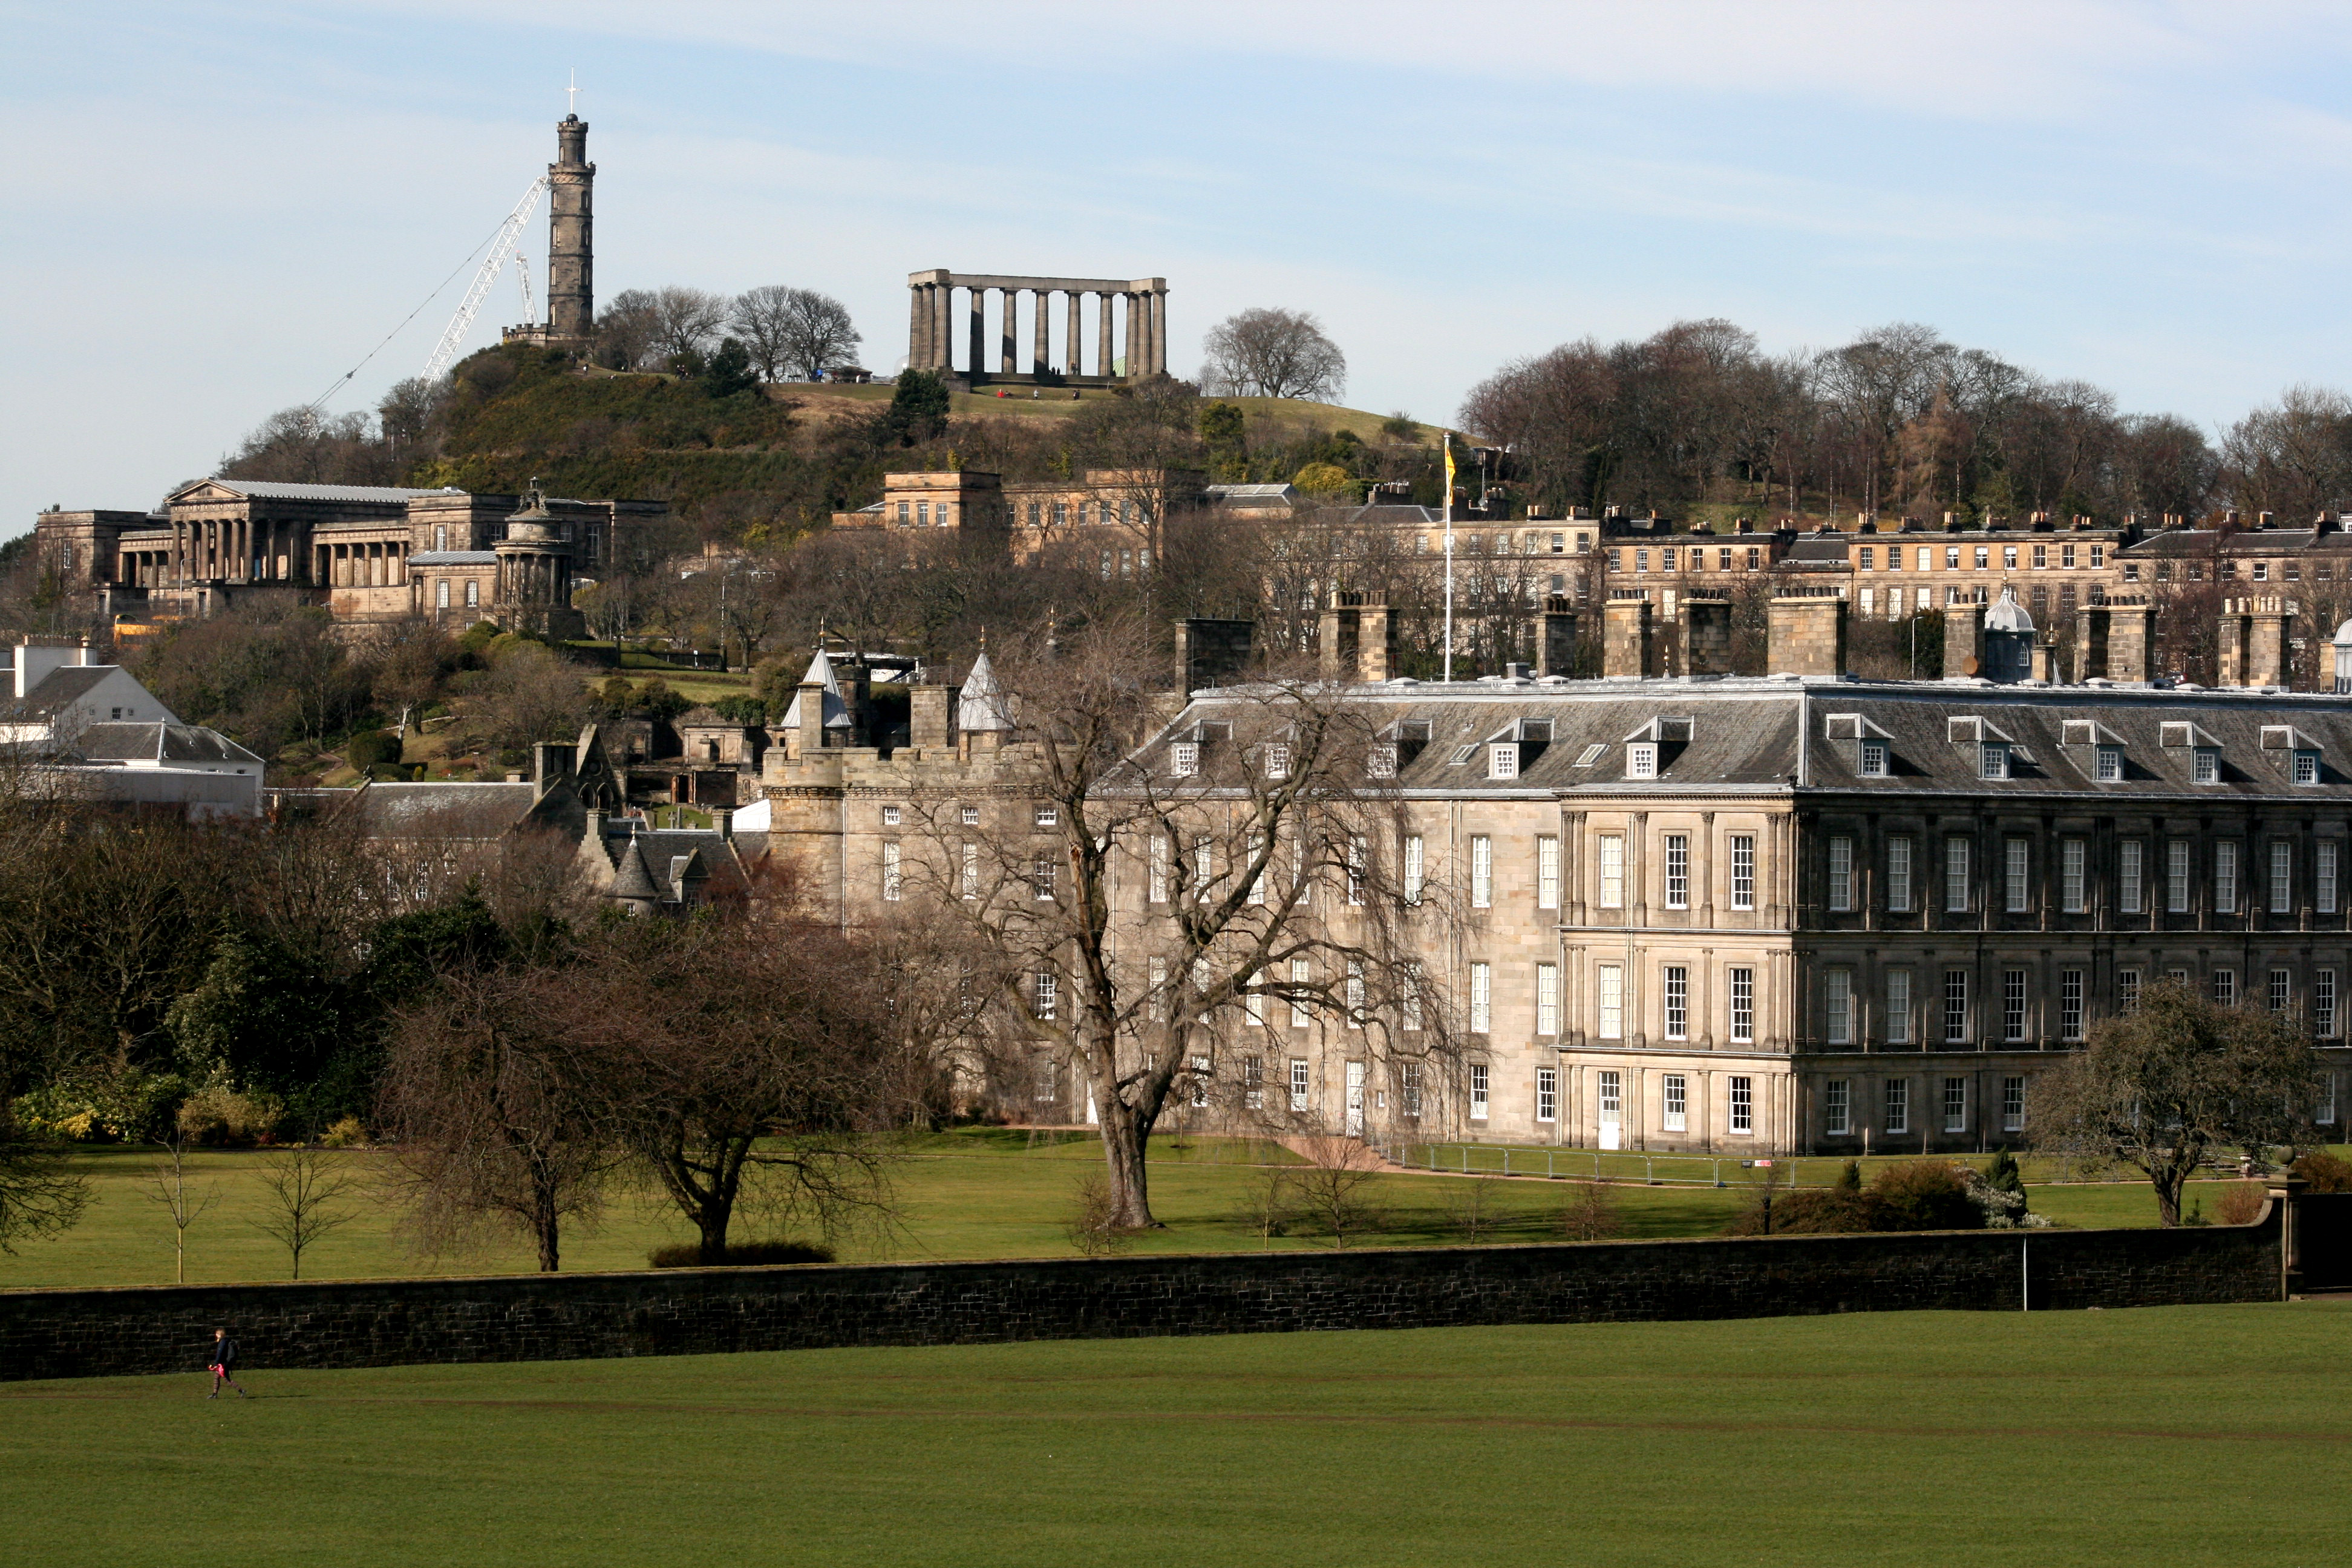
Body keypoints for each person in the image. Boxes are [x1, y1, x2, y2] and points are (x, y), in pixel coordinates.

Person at [207, 1327, 250, 1399]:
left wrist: (216, 1363)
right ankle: (215, 1394)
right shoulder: (227, 1341)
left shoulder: (223, 1342)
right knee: (217, 1377)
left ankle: (241, 1390)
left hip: (223, 1364)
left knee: (227, 1379)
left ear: (220, 1334)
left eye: (217, 1334)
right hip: (225, 1363)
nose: (216, 1335)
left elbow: (220, 1354)